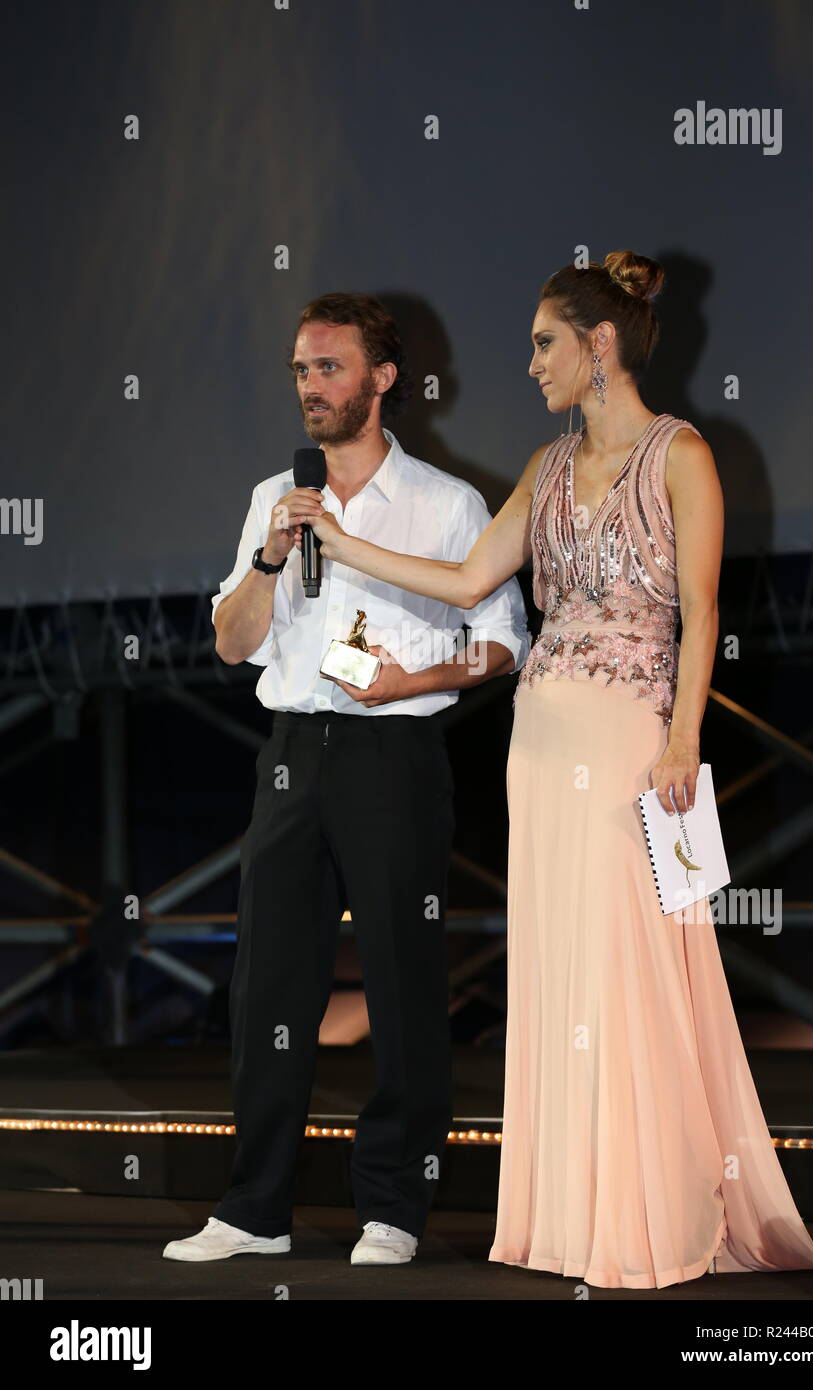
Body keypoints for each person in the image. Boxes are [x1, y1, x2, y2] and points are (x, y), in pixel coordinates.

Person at [298, 253, 813, 1288]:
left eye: (544, 343)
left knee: (628, 971)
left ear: (598, 345)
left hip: (624, 745)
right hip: (538, 741)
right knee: (560, 972)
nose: (529, 364)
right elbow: (473, 575)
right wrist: (340, 546)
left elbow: (699, 614)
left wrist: (683, 740)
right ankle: (567, 1217)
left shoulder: (681, 454)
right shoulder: (547, 466)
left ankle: (644, 1217)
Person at [163, 292, 530, 1267]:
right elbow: (233, 645)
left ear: (381, 378)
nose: (309, 387)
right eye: (297, 369)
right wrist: (269, 554)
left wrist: (416, 677)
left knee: (404, 981)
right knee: (268, 985)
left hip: (394, 757)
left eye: (327, 367)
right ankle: (255, 1206)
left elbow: (502, 643)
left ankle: (394, 1206)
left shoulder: (446, 504)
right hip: (291, 751)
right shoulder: (271, 500)